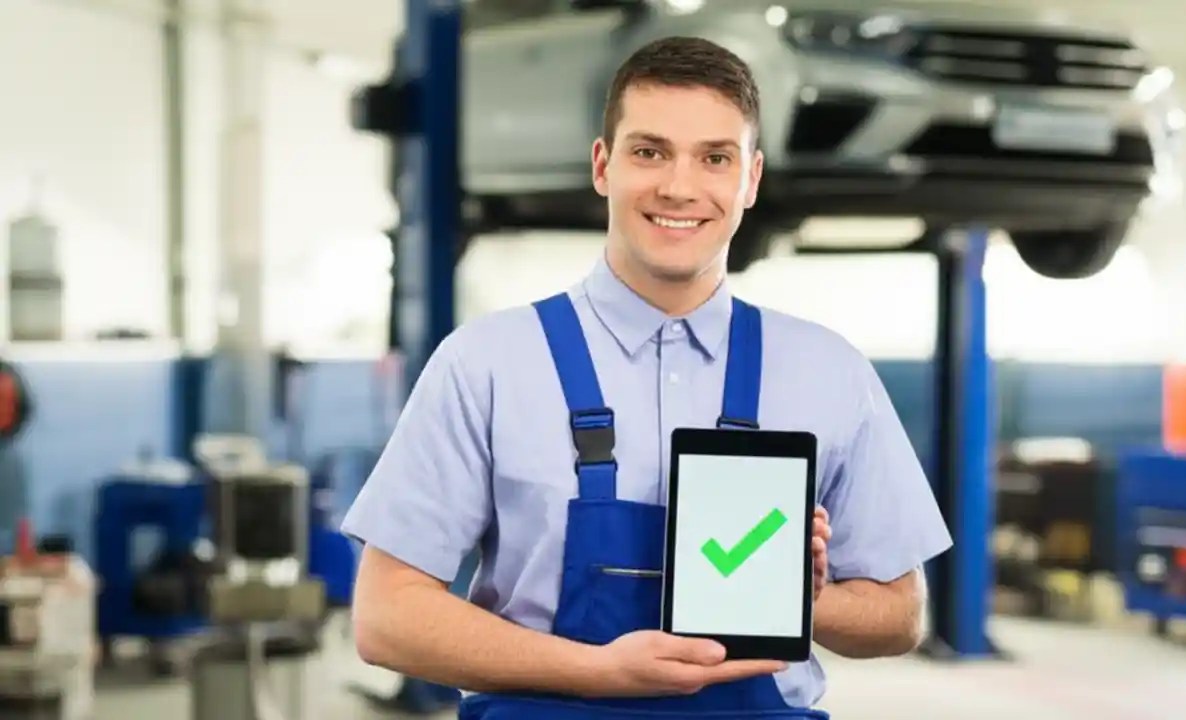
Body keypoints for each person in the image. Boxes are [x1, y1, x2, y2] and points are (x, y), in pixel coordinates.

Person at [341, 36, 953, 719]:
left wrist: (803, 599)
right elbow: (386, 616)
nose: (679, 187)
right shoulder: (484, 363)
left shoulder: (830, 373)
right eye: (650, 151)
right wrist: (596, 672)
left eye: (714, 158)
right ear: (603, 166)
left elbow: (900, 616)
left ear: (750, 179)